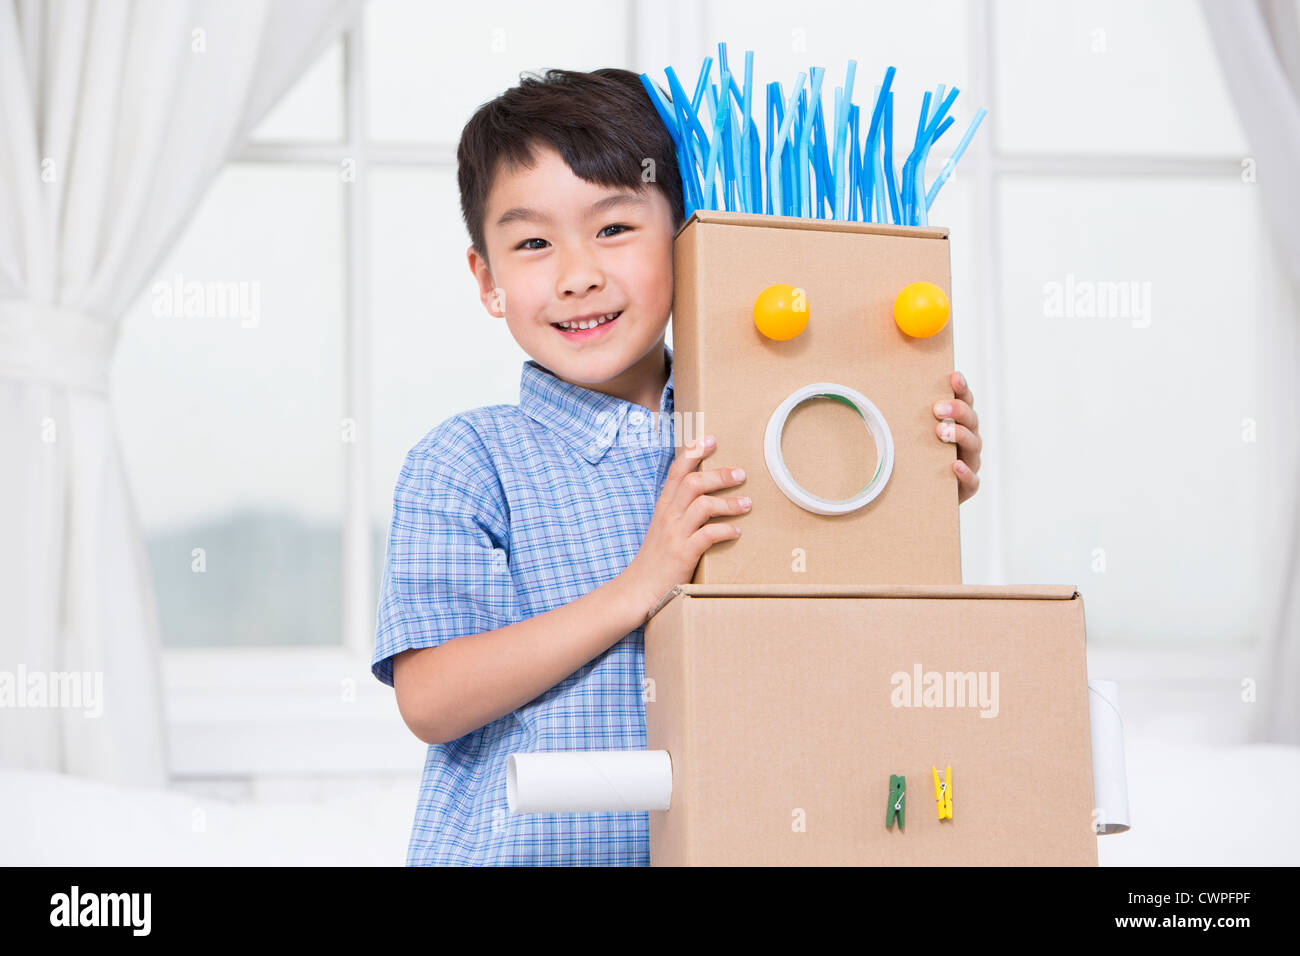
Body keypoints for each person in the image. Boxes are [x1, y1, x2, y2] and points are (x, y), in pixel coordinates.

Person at [371, 68, 983, 865]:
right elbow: (431, 700)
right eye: (531, 243)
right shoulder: (468, 460)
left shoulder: (768, 429)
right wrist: (639, 586)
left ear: (688, 237)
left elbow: (841, 647)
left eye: (614, 229)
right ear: (487, 279)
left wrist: (909, 496)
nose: (578, 273)